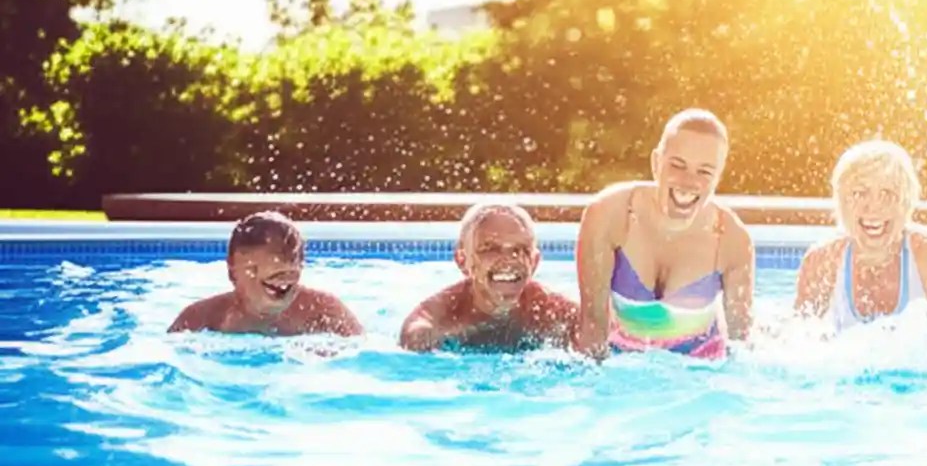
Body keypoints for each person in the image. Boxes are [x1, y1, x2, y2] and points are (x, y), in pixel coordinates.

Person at [575, 109, 754, 359]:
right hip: (621, 359)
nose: (689, 182)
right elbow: (592, 323)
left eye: (704, 172)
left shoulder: (731, 240)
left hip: (700, 369)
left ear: (718, 177)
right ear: (656, 163)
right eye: (677, 165)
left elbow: (740, 345)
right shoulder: (610, 215)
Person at [793, 139, 927, 351]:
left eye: (888, 194)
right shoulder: (822, 262)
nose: (873, 208)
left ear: (907, 202)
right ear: (840, 201)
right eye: (859, 193)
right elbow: (798, 347)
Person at [400, 203, 578, 352]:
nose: (508, 260)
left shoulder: (555, 313)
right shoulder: (436, 320)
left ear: (535, 261)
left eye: (520, 249)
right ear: (463, 261)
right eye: (490, 249)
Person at [169, 211, 363, 336]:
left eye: (291, 266)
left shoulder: (321, 312)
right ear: (233, 273)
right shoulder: (204, 318)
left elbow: (363, 354)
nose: (284, 279)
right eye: (254, 269)